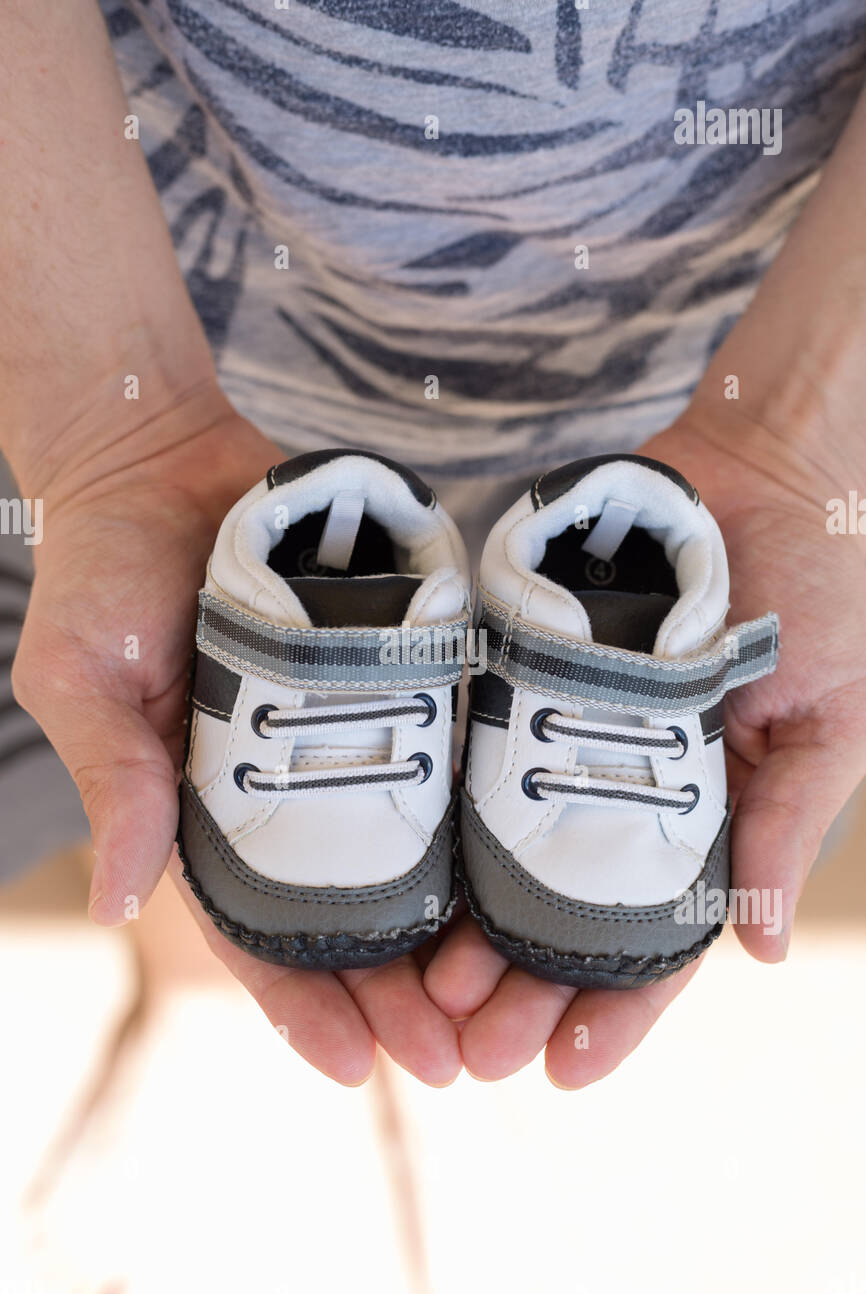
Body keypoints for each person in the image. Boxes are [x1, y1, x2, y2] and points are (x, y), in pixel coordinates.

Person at [2, 0, 865, 1088]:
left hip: (740, 314)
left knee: (149, 773)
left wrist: (812, 449)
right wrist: (99, 429)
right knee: (111, 760)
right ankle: (171, 969)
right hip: (143, 281)